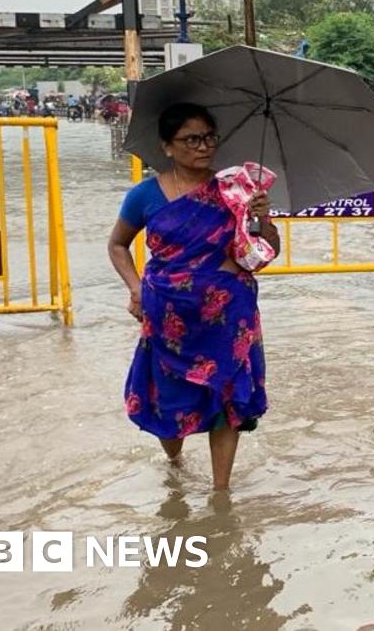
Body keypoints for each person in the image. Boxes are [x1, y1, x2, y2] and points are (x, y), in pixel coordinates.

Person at [107, 103, 280, 491]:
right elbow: (118, 245)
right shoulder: (144, 195)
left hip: (228, 316)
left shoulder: (236, 191)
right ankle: (175, 462)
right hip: (168, 316)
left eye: (209, 137)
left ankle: (221, 493)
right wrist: (135, 287)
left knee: (228, 399)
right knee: (169, 403)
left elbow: (264, 251)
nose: (204, 147)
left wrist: (262, 219)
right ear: (167, 146)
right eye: (191, 139)